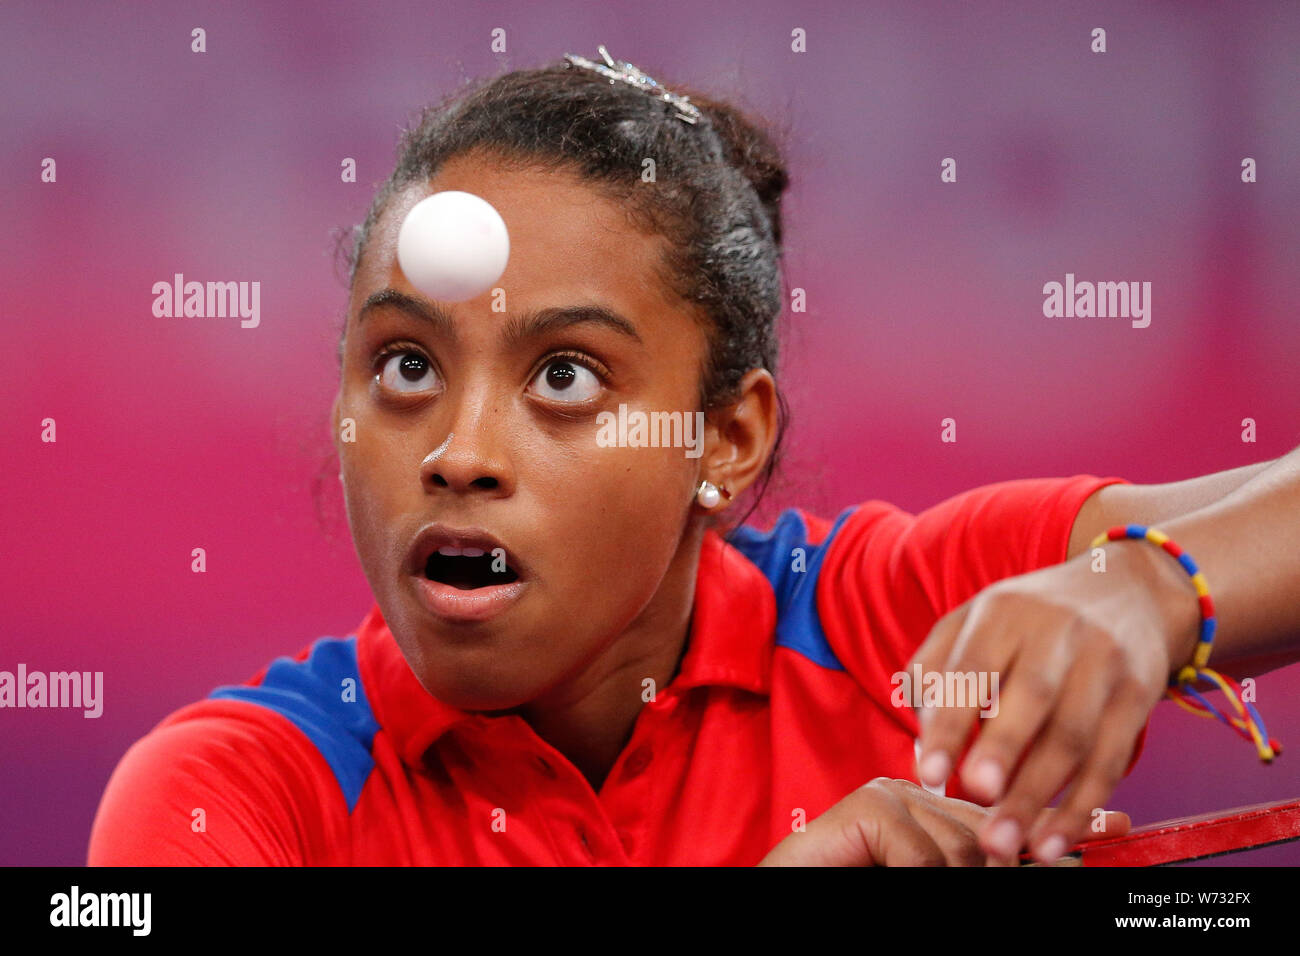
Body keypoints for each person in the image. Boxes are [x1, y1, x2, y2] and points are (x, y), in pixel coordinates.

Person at [88, 51, 1300, 866]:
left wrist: (1153, 583)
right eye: (406, 365)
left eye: (564, 376)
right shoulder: (236, 799)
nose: (457, 453)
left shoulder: (895, 627)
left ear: (725, 439)